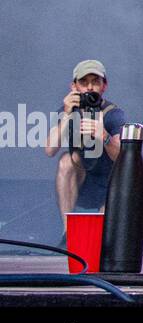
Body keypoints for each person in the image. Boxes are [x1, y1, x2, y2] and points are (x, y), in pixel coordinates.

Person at [43, 60, 128, 237]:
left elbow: (123, 157)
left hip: (108, 184)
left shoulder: (113, 113)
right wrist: (67, 113)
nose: (89, 87)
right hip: (80, 183)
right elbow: (50, 150)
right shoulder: (67, 110)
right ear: (74, 86)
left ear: (104, 86)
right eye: (84, 82)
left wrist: (104, 136)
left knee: (101, 239)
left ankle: (101, 237)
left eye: (95, 82)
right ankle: (68, 232)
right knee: (66, 160)